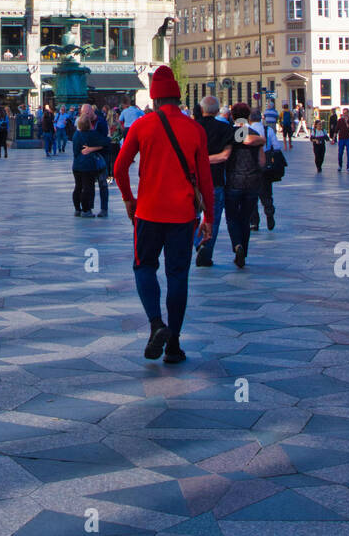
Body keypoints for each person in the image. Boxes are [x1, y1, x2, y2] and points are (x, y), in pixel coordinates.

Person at [113, 66, 212, 365]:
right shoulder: (195, 129)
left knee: (144, 268)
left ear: (154, 98)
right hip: (182, 216)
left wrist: (129, 199)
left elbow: (119, 168)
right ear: (177, 95)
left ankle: (157, 324)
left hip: (148, 212)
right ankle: (174, 346)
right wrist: (209, 218)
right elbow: (206, 179)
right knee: (178, 275)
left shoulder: (142, 127)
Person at [194, 95, 235, 268]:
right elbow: (227, 155)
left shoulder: (193, 128)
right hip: (215, 179)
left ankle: (197, 243)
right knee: (214, 218)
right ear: (217, 111)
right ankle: (206, 251)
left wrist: (200, 161)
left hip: (193, 181)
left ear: (201, 110)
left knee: (192, 216)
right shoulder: (225, 129)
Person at [225, 103, 266, 267]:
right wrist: (261, 141)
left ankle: (237, 245)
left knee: (232, 217)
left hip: (235, 180)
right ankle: (243, 251)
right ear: (248, 115)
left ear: (232, 116)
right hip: (252, 181)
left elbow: (243, 138)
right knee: (245, 219)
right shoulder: (254, 133)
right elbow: (262, 161)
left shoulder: (232, 133)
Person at [71, 105, 105, 217]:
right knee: (88, 188)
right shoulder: (92, 134)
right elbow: (104, 144)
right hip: (89, 165)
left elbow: (75, 151)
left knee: (78, 186)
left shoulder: (76, 135)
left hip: (76, 165)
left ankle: (77, 209)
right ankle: (86, 210)